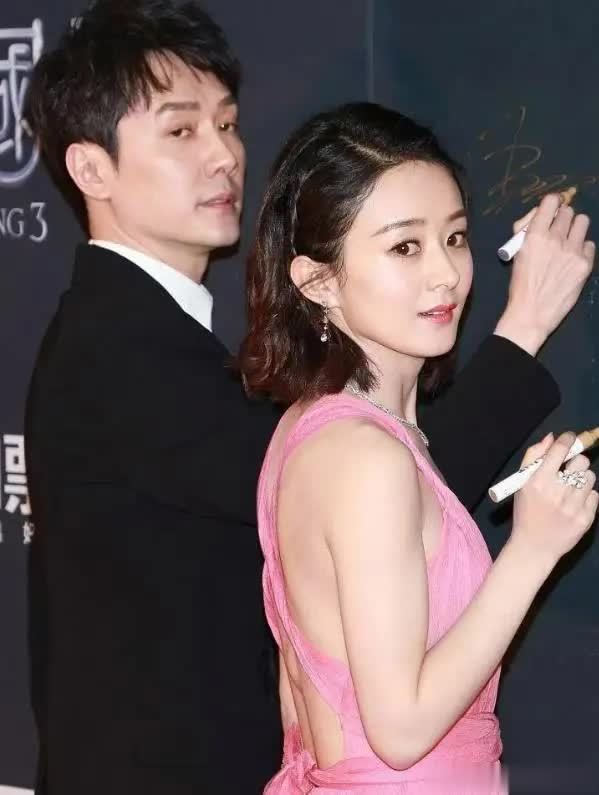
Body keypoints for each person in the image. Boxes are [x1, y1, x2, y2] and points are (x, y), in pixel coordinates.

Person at [24, 2, 592, 794]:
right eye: (181, 130)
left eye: (227, 123)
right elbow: (384, 480)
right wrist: (522, 328)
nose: (223, 154)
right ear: (92, 169)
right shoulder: (118, 354)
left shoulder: (154, 338)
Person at [239, 102, 598, 793]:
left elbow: (302, 697)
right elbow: (399, 732)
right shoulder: (365, 457)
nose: (446, 274)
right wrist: (532, 548)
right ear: (317, 280)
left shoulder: (315, 428)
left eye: (454, 237)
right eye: (405, 246)